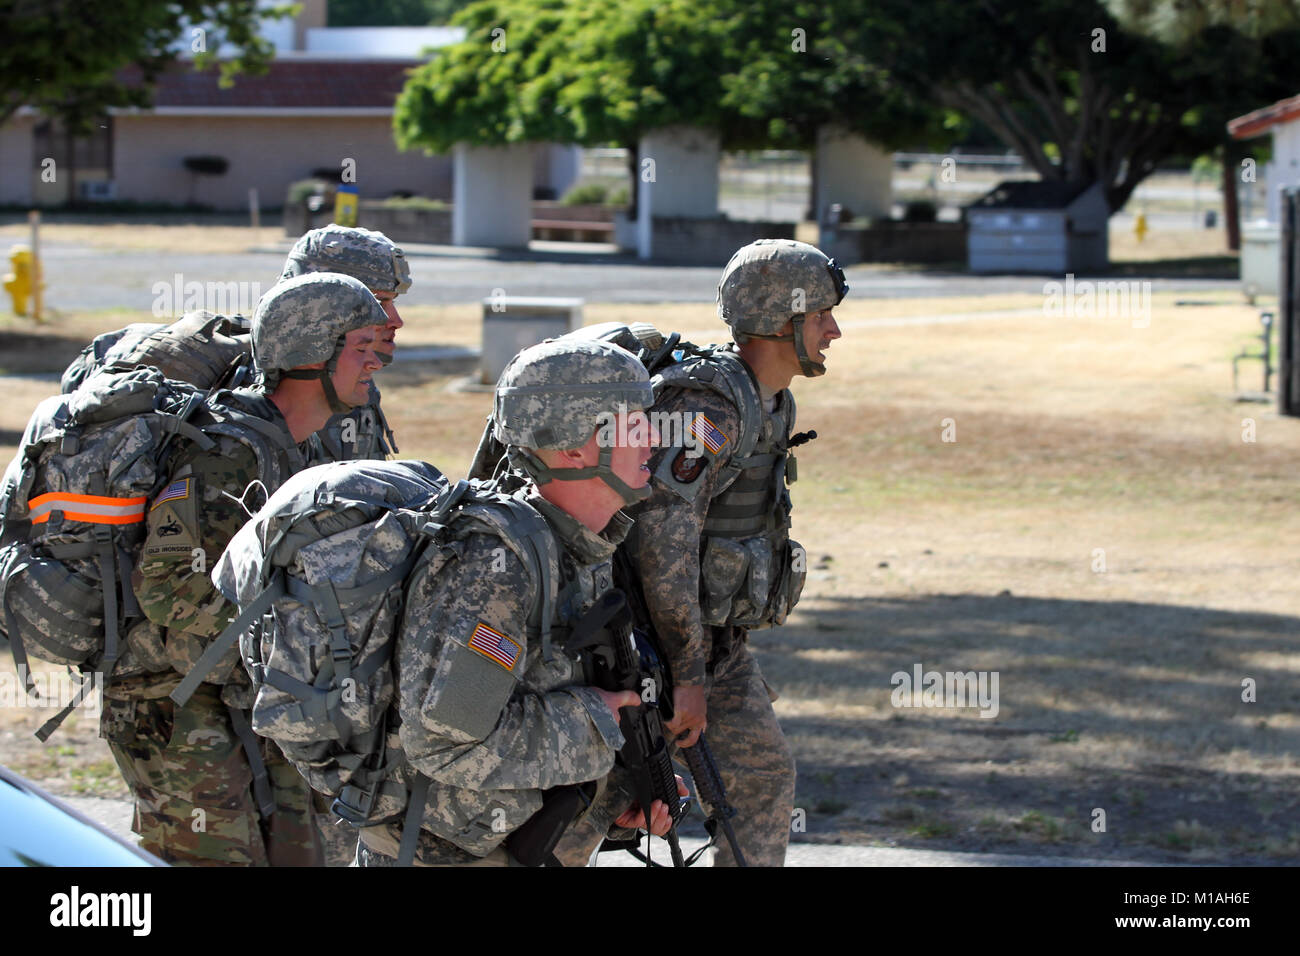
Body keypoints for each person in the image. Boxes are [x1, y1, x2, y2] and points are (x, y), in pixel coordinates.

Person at [99, 273, 389, 866]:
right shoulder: (227, 454)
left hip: (238, 696)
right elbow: (167, 590)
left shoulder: (302, 445)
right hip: (171, 707)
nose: (376, 362)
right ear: (313, 354)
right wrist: (297, 626)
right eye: (362, 348)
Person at [356, 338, 681, 866]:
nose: (652, 436)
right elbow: (447, 743)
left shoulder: (582, 545)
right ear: (575, 448)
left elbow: (546, 694)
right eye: (633, 423)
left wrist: (617, 800)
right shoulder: (495, 566)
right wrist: (598, 720)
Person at [622, 238, 846, 866]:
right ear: (783, 321)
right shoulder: (707, 407)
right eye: (821, 316)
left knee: (762, 782)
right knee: (591, 813)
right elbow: (663, 552)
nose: (835, 331)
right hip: (640, 653)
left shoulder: (771, 402)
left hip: (713, 647)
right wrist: (686, 677)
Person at [280, 224, 411, 462]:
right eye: (377, 303)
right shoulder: (255, 391)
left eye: (392, 302)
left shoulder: (357, 384)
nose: (395, 321)